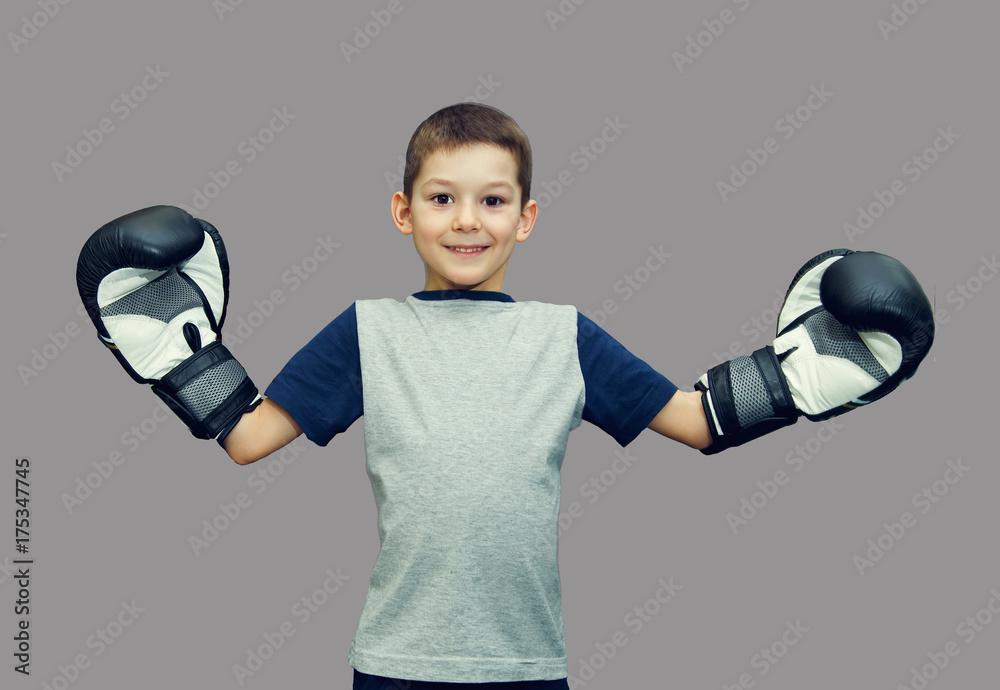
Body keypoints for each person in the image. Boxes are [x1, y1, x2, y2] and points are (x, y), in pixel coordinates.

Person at [76, 103, 934, 689]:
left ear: (525, 218)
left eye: (492, 200)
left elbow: (697, 422)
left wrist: (798, 375)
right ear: (403, 212)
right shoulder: (368, 330)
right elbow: (249, 437)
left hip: (526, 665)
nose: (466, 220)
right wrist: (177, 349)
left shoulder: (564, 335)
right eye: (441, 199)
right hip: (397, 662)